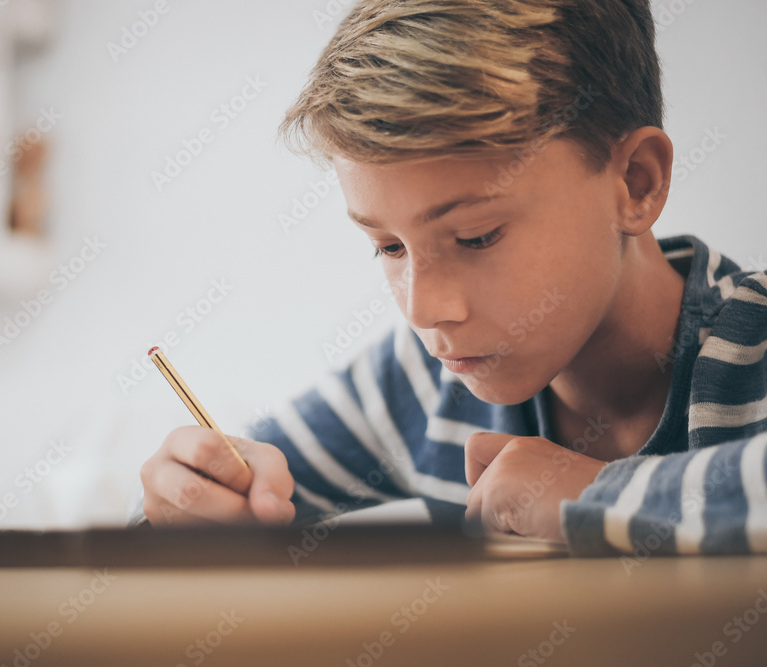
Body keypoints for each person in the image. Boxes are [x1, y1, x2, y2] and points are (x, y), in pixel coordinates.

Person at [137, 0, 767, 555]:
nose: (423, 309)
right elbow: (209, 513)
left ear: (636, 182)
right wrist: (190, 506)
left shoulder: (754, 346)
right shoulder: (421, 382)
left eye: (476, 236)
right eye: (388, 247)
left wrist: (594, 495)